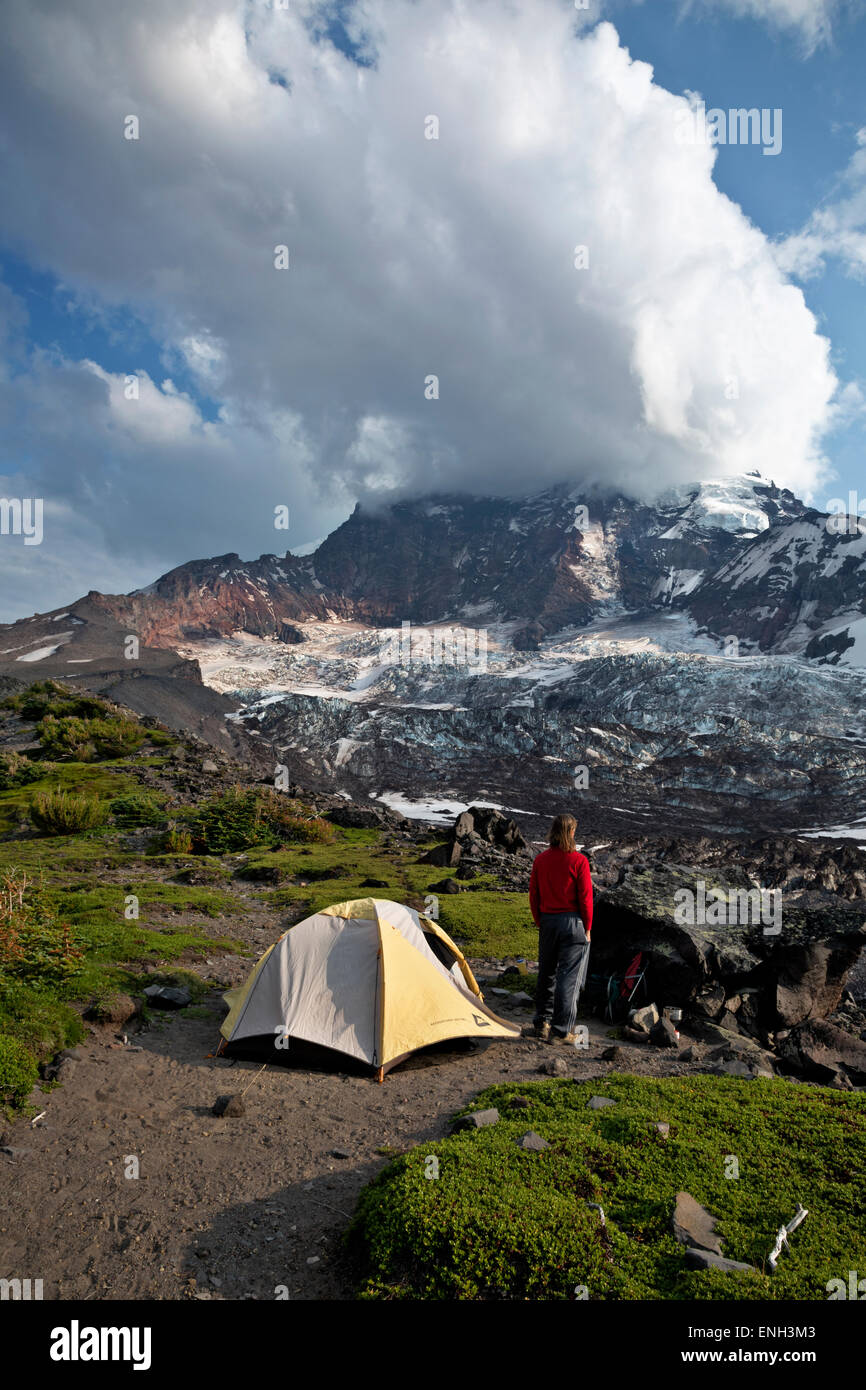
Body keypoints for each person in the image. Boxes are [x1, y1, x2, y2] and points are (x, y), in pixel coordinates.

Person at [523, 813, 593, 1044]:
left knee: (546, 973)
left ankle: (542, 1023)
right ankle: (561, 1031)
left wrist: (539, 920)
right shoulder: (579, 861)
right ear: (571, 832)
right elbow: (585, 898)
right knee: (568, 978)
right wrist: (588, 927)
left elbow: (534, 894)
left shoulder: (541, 860)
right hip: (573, 923)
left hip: (548, 922)